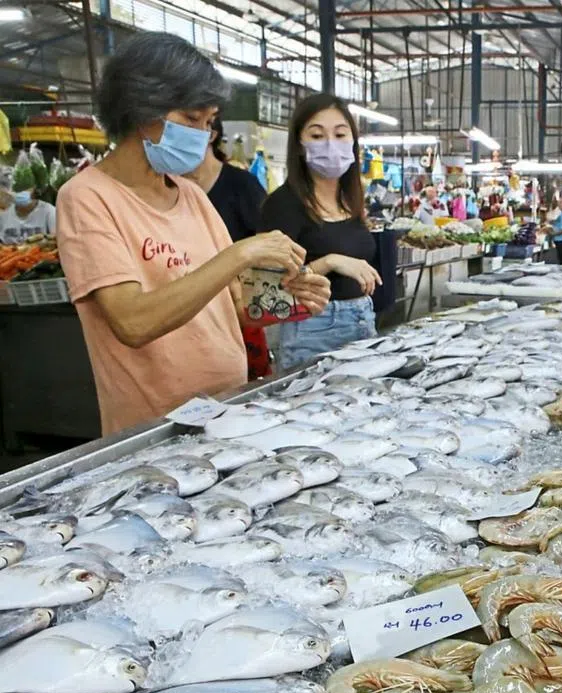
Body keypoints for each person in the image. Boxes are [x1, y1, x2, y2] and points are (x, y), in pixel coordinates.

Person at [55, 32, 330, 435]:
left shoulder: (191, 196)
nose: (202, 135)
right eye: (191, 119)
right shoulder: (87, 197)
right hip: (156, 428)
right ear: (142, 111)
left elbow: (235, 306)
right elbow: (133, 322)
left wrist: (293, 301)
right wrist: (239, 254)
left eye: (208, 121)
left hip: (225, 408)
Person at [259, 93, 382, 370]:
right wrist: (329, 262)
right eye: (317, 135)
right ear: (299, 145)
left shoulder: (350, 200)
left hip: (363, 321)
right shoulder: (283, 205)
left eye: (340, 134)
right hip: (311, 330)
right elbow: (269, 290)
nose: (330, 144)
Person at [183, 113, 273, 381]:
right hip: (186, 315)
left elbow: (269, 248)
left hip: (237, 313)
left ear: (211, 134)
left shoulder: (242, 186)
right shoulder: (170, 188)